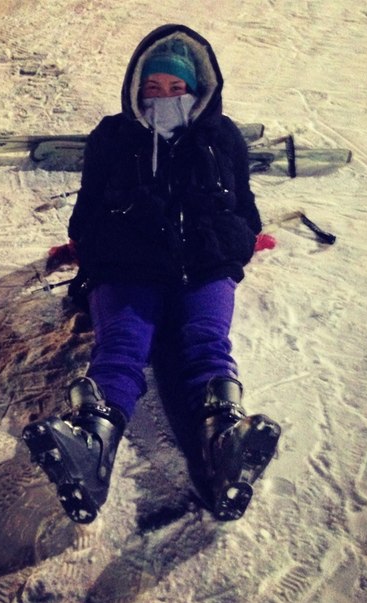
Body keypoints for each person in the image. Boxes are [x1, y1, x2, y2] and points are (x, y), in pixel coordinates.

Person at [23, 24, 281, 523]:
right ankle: (90, 444)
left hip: (203, 266)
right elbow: (86, 211)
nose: (164, 97)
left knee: (205, 342)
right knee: (122, 345)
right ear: (136, 88)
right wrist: (97, 250)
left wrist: (237, 242)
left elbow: (245, 207)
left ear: (198, 89)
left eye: (176, 87)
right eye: (153, 87)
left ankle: (225, 439)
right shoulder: (112, 137)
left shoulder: (222, 137)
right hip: (129, 269)